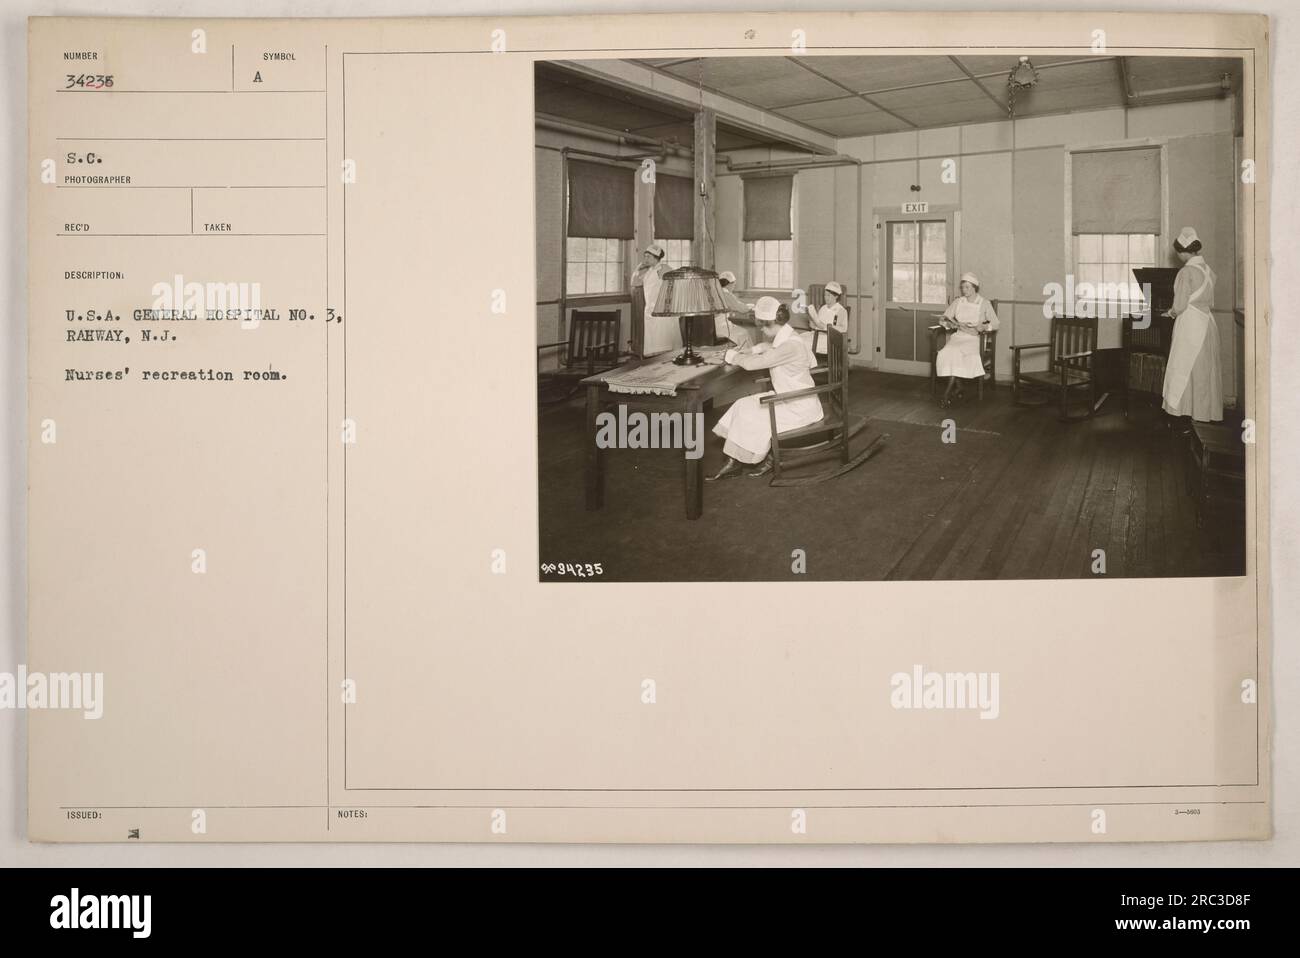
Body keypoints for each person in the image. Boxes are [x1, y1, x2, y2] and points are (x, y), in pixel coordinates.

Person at [707, 296, 824, 481]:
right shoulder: (790, 336)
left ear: (771, 324)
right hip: (789, 397)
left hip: (799, 406)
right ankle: (734, 462)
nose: (760, 329)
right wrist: (754, 349)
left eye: (762, 325)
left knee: (754, 415)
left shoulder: (790, 345)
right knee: (742, 404)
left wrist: (731, 356)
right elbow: (773, 347)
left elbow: (757, 364)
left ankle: (767, 459)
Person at [1161, 227, 1223, 424]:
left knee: (1184, 368)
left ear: (1182, 251)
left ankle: (1185, 415)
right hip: (1208, 325)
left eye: (1178, 252)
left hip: (1190, 325)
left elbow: (1179, 305)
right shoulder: (1208, 271)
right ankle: (1202, 415)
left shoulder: (1186, 272)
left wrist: (1169, 313)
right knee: (1203, 371)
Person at [936, 271, 999, 407]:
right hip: (958, 336)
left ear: (974, 287)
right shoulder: (958, 301)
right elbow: (944, 318)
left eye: (967, 287)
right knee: (947, 352)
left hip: (974, 339)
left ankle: (946, 394)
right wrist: (950, 324)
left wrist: (983, 327)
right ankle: (959, 387)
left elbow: (996, 323)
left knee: (956, 353)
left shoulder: (984, 303)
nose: (964, 290)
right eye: (963, 287)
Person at [631, 243, 681, 356]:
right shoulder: (648, 271)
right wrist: (638, 268)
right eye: (645, 256)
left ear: (656, 258)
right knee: (653, 343)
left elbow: (676, 282)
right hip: (650, 310)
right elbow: (634, 283)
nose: (645, 259)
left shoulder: (663, 268)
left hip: (662, 310)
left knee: (665, 343)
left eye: (648, 256)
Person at [800, 281, 849, 356]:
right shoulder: (823, 308)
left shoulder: (841, 310)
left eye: (828, 295)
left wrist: (824, 326)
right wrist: (811, 318)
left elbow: (842, 329)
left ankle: (807, 364)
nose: (826, 298)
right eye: (825, 295)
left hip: (829, 339)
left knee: (803, 344)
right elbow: (815, 326)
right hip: (817, 335)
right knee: (797, 339)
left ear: (836, 296)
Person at [714, 270, 755, 348]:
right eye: (734, 285)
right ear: (730, 284)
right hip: (721, 327)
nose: (733, 287)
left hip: (714, 326)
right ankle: (746, 356)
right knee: (744, 333)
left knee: (742, 332)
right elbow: (742, 309)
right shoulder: (726, 294)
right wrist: (751, 306)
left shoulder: (716, 292)